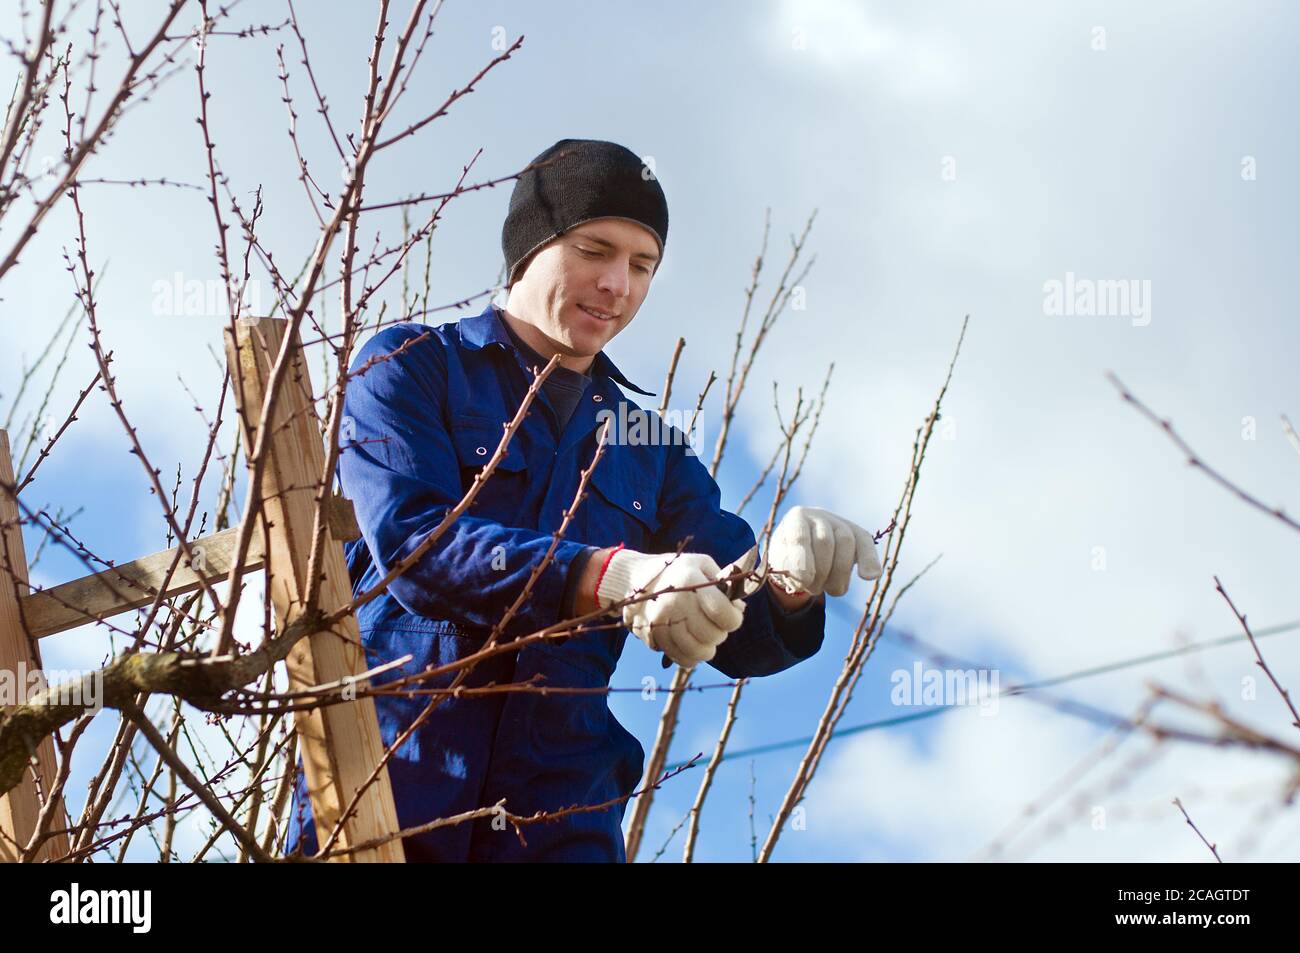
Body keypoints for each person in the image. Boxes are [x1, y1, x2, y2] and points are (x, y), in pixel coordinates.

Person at [285, 138, 881, 862]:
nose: (617, 285)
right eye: (595, 250)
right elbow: (417, 545)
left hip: (560, 822)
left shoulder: (649, 448)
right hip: (387, 789)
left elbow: (737, 623)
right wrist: (611, 576)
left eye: (642, 265)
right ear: (528, 249)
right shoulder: (411, 366)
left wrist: (787, 581)